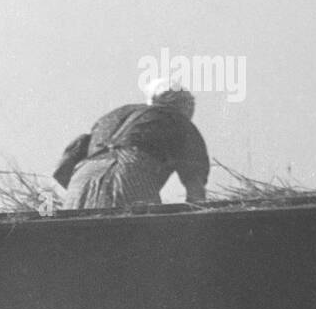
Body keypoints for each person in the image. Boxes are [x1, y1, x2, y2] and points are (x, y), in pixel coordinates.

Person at [53, 79, 209, 210]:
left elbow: (62, 169)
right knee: (141, 236)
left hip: (83, 177)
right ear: (185, 105)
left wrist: (84, 192)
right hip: (131, 171)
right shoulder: (179, 122)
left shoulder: (114, 115)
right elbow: (195, 186)